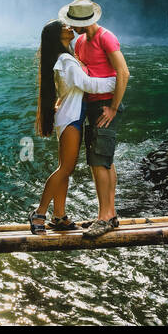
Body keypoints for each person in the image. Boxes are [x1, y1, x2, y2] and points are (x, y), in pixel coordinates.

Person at [31, 19, 118, 233]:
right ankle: (39, 213)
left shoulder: (66, 59)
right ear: (57, 36)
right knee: (65, 169)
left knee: (65, 168)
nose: (70, 28)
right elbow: (88, 84)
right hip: (71, 119)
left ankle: (59, 216)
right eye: (65, 27)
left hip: (69, 117)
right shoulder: (67, 61)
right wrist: (117, 81)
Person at [58, 0, 129, 239]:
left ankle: (105, 217)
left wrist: (113, 107)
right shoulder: (80, 42)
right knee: (104, 159)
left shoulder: (105, 37)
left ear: (82, 22)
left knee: (98, 161)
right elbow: (83, 71)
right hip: (91, 104)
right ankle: (110, 213)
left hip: (104, 105)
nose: (70, 27)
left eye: (72, 23)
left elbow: (124, 72)